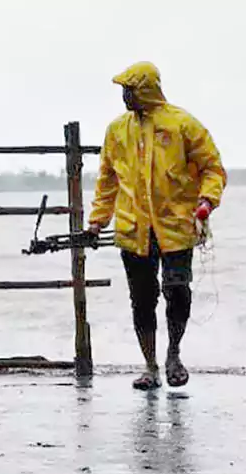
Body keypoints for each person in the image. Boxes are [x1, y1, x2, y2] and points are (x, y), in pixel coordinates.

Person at [88, 61, 227, 390]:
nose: (125, 97)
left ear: (145, 90)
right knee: (142, 299)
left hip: (176, 227)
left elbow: (212, 168)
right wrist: (97, 222)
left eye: (129, 90)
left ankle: (174, 354)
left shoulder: (182, 124)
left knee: (177, 292)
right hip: (132, 229)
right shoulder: (117, 130)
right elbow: (107, 180)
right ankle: (149, 365)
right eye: (123, 91)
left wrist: (207, 201)